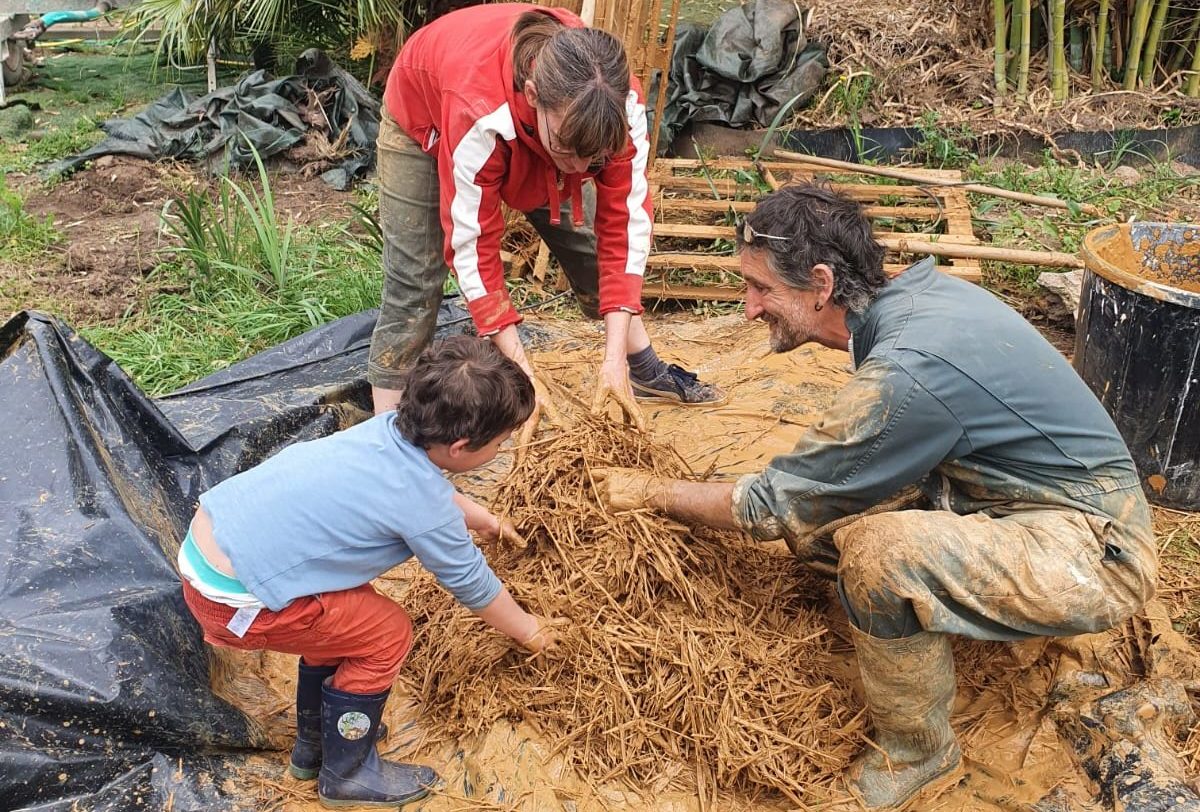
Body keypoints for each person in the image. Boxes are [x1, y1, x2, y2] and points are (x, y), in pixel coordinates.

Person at [593, 183, 1157, 808]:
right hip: (1012, 495)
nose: (749, 307)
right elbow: (834, 478)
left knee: (876, 555)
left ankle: (919, 750)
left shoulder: (907, 371)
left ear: (821, 283)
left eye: (761, 289)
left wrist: (648, 491)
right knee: (825, 522)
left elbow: (768, 505)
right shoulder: (913, 299)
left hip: (1094, 548)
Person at [178, 336, 566, 809]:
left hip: (211, 554)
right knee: (386, 633)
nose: (502, 450)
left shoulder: (383, 432)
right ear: (462, 447)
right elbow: (471, 582)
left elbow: (415, 489)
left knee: (348, 616)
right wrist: (530, 632)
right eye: (501, 442)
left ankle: (315, 744)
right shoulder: (422, 504)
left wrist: (479, 517)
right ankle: (348, 773)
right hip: (241, 601)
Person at [369, 2, 724, 436]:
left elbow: (624, 228)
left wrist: (609, 360)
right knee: (415, 279)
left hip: (540, 129)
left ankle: (639, 368)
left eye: (593, 158)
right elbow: (472, 246)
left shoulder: (616, 103)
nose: (579, 170)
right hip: (425, 115)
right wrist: (526, 377)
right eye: (569, 152)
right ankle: (385, 434)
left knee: (595, 249)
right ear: (534, 96)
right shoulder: (479, 112)